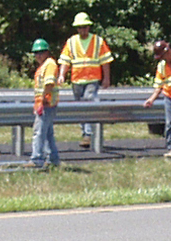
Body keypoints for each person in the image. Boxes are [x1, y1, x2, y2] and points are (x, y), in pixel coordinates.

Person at [59, 12, 113, 149]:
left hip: (92, 78)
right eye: (80, 27)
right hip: (77, 80)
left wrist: (106, 78)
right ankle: (86, 132)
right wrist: (61, 75)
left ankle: (89, 134)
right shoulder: (71, 42)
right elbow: (65, 60)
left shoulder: (98, 41)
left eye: (84, 27)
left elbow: (105, 61)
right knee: (80, 107)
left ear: (89, 27)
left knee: (89, 101)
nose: (82, 30)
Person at [30, 38, 61, 169]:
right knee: (48, 133)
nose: (38, 55)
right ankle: (53, 159)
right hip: (45, 104)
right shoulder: (44, 66)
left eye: (41, 52)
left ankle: (36, 159)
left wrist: (42, 100)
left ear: (47, 52)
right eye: (36, 53)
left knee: (39, 132)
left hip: (47, 104)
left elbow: (49, 84)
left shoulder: (50, 64)